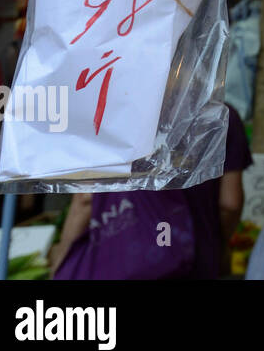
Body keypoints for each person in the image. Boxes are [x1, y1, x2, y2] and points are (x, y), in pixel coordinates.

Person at [50, 102, 252, 279]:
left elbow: (85, 199)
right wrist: (216, 245)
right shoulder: (221, 115)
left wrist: (63, 256)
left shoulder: (113, 114)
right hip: (199, 261)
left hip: (130, 260)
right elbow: (230, 203)